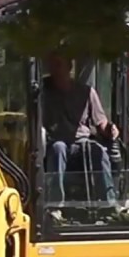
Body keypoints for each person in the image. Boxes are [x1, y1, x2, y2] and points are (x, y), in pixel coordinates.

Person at [42, 54, 119, 204]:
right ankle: (56, 205)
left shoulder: (86, 92)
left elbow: (101, 123)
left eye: (58, 64)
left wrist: (111, 129)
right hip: (57, 141)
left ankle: (109, 203)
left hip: (82, 142)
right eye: (51, 65)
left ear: (69, 67)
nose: (54, 69)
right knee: (58, 149)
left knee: (98, 151)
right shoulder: (43, 92)